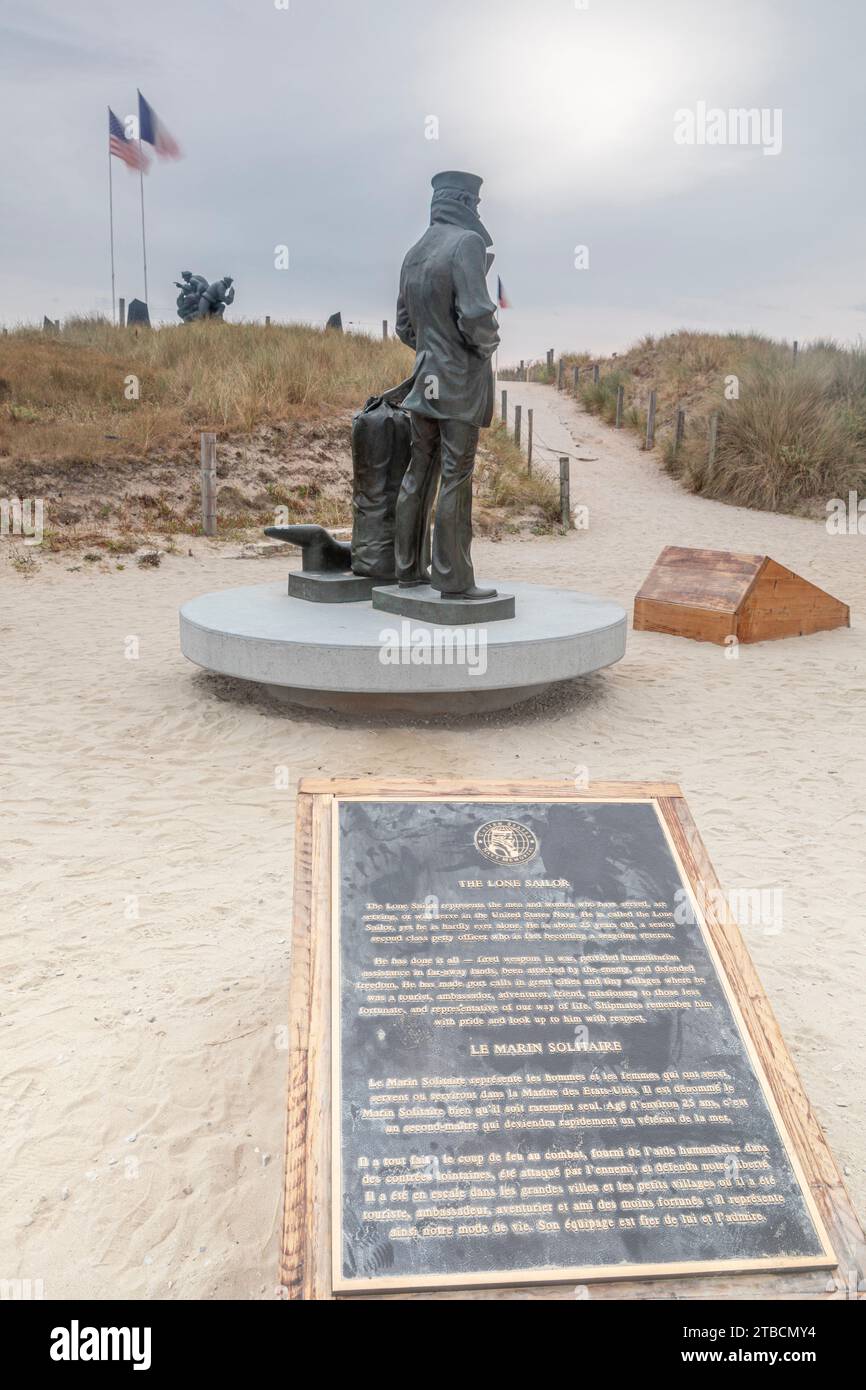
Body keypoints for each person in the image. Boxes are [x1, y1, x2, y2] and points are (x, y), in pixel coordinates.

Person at [394, 171, 500, 600]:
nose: (477, 211)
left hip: (425, 379)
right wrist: (487, 346)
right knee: (457, 476)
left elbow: (404, 325)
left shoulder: (415, 252)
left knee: (419, 471)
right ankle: (453, 579)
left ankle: (407, 570)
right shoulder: (466, 244)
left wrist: (429, 351)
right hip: (458, 382)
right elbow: (476, 314)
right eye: (474, 203)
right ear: (464, 202)